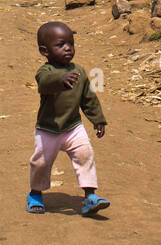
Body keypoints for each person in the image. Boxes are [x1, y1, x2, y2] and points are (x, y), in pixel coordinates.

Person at [29, 21, 109, 216]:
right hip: (48, 128)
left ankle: (90, 196)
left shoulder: (79, 72)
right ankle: (35, 194)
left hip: (73, 127)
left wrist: (98, 119)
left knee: (85, 155)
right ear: (44, 51)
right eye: (60, 45)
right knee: (41, 163)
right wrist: (60, 80)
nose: (68, 48)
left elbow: (88, 98)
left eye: (71, 44)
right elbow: (44, 83)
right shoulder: (45, 72)